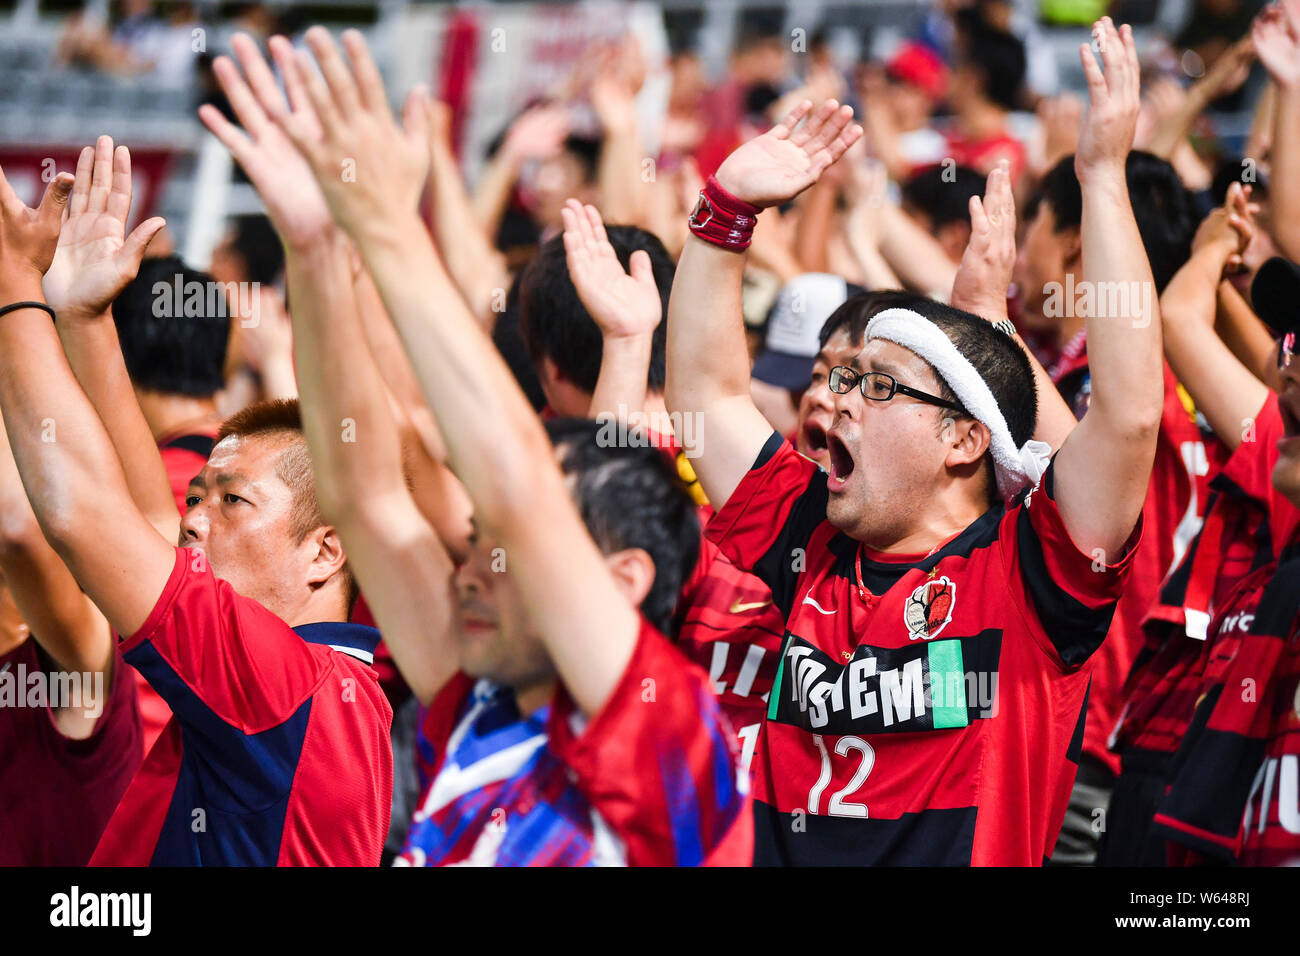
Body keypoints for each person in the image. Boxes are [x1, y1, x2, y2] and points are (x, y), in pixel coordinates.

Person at [197, 29, 752, 865]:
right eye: (479, 546)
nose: (467, 568)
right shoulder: (477, 707)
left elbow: (522, 483)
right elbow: (369, 497)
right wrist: (315, 249)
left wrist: (389, 226)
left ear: (622, 582)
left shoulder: (672, 741)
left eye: (504, 552)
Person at [665, 17, 1161, 865]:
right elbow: (707, 398)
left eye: (878, 386)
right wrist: (726, 213)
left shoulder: (1029, 579)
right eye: (843, 379)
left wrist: (1102, 178)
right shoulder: (809, 545)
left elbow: (1129, 415)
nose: (835, 404)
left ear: (964, 439)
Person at [0, 136, 392, 866]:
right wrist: (84, 322)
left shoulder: (285, 682)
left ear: (325, 550)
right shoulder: (327, 686)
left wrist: (12, 284)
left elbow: (82, 514)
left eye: (234, 501)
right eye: (200, 493)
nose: (194, 516)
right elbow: (149, 525)